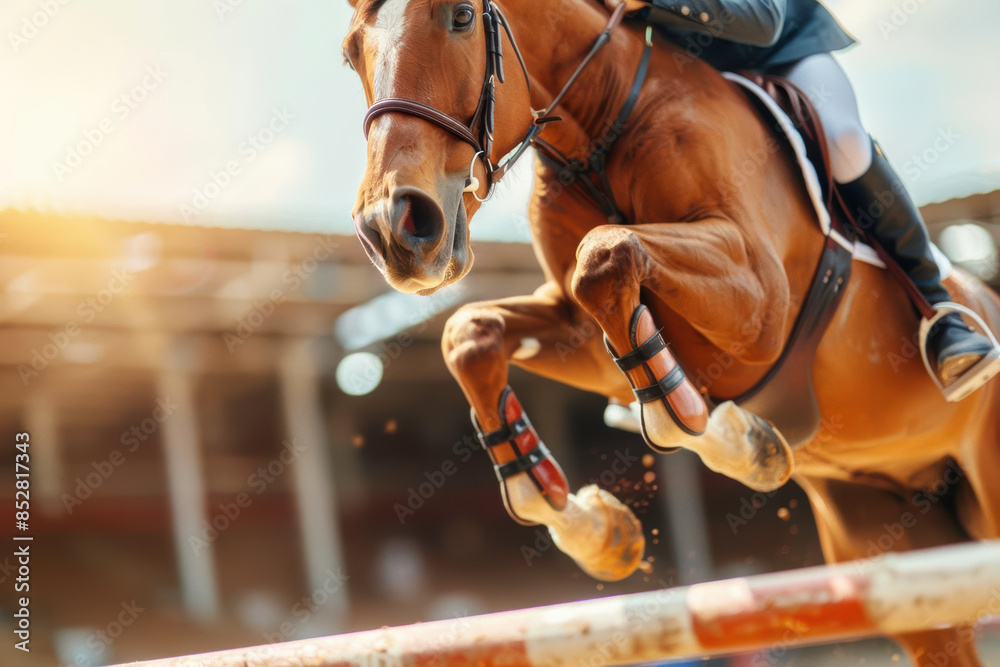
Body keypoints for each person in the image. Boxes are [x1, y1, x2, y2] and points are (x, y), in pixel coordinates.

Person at [607, 0, 1000, 399]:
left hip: (784, 55)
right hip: (692, 90)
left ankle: (941, 312)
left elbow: (765, 23)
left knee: (844, 143)